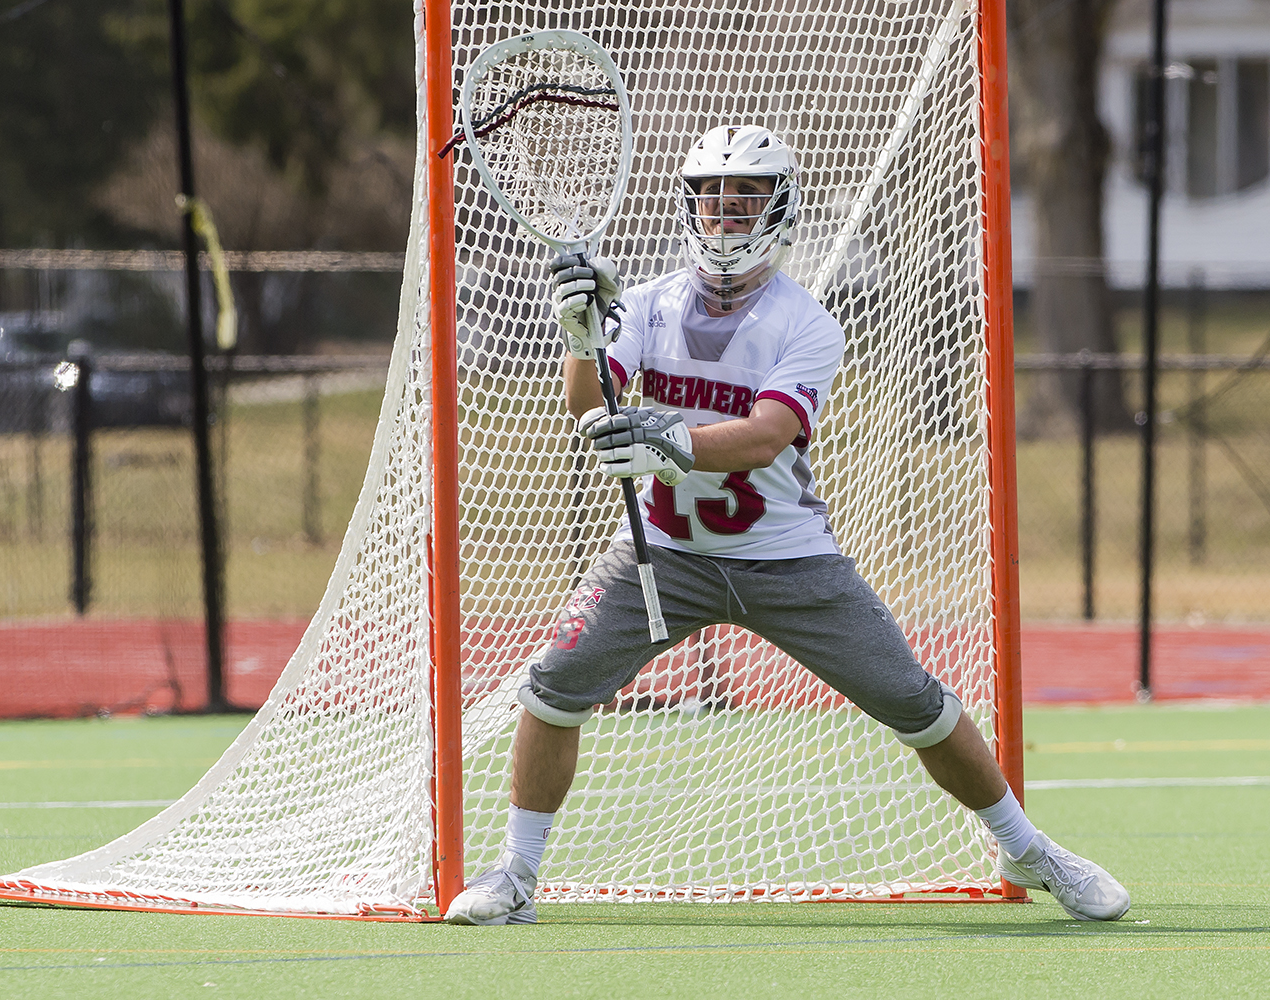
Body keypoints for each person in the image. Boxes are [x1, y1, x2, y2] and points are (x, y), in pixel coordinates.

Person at [443, 124, 1129, 926]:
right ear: (689, 208)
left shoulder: (806, 322)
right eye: (714, 201)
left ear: (779, 208)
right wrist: (579, 334)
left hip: (787, 559)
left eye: (745, 202)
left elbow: (767, 434)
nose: (727, 218)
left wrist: (666, 440)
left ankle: (1027, 849)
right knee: (553, 690)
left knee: (919, 704)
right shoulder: (645, 303)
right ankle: (518, 875)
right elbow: (590, 403)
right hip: (663, 553)